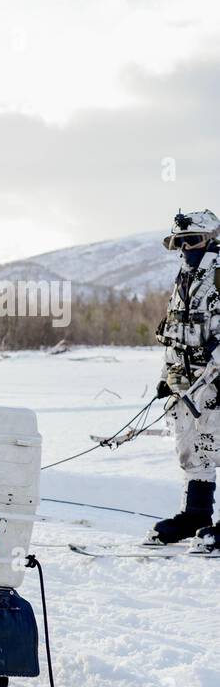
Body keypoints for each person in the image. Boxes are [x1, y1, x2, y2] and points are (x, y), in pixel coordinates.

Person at [147, 210, 220, 551]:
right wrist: (167, 377)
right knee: (193, 451)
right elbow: (173, 333)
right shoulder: (183, 280)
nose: (185, 248)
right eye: (180, 243)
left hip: (215, 382)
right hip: (185, 385)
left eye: (192, 241)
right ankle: (196, 516)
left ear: (210, 240)